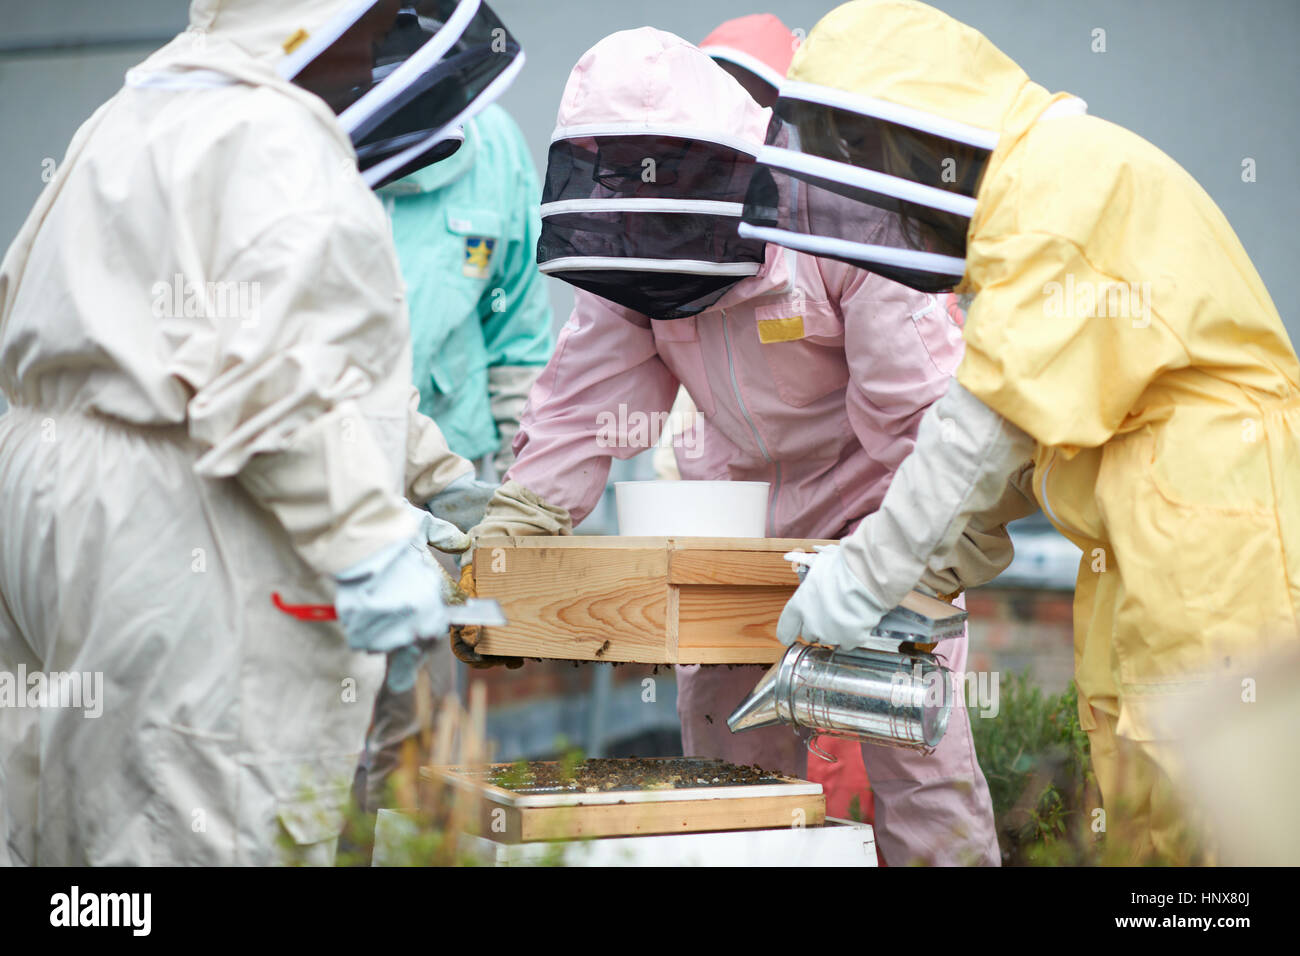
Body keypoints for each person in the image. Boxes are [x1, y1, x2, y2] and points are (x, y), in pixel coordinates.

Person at [752, 0, 1300, 861]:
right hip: (1153, 529)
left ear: (916, 130)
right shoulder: (1033, 193)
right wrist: (926, 568)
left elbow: (981, 430)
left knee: (1224, 820)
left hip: (1216, 538)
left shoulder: (1055, 191)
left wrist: (864, 575)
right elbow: (1020, 441)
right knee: (1147, 805)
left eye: (863, 152)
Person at [463, 28, 1006, 865]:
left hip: (884, 500)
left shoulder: (845, 221)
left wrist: (910, 559)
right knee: (728, 767)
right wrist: (516, 534)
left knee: (915, 754)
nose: (660, 202)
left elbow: (920, 421)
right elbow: (582, 406)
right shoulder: (627, 242)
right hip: (734, 507)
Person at [0, 0, 523, 865]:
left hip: (52, 500)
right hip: (178, 517)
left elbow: (256, 349)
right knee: (198, 815)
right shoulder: (275, 132)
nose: (390, 38)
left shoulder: (129, 112)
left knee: (72, 827)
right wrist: (366, 542)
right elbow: (271, 377)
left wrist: (428, 472)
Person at [355, 103, 554, 812]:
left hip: (443, 479)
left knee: (415, 742)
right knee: (327, 731)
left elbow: (519, 334)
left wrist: (517, 496)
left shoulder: (497, 149)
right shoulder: (299, 149)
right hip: (318, 472)